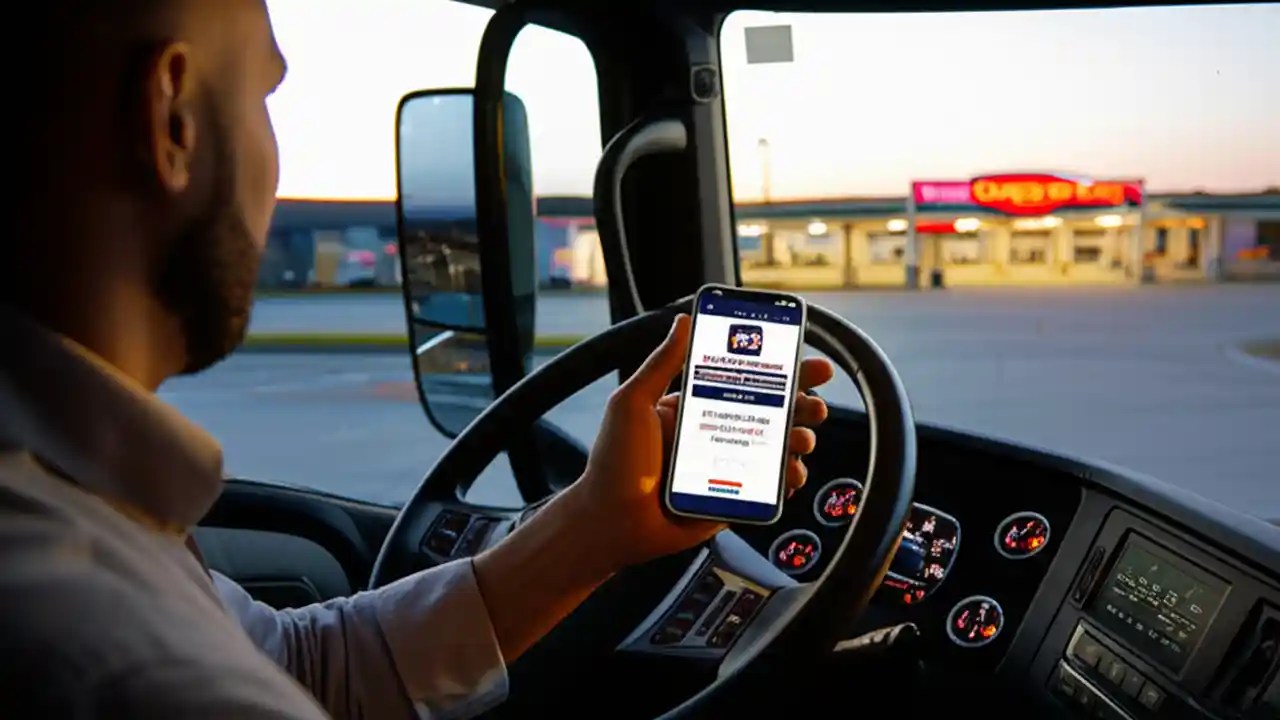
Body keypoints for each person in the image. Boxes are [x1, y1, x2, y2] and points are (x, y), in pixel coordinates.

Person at [0, 1, 835, 717]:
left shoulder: (73, 510)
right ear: (172, 115)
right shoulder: (131, 666)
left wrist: (596, 525)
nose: (273, 150)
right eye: (264, 94)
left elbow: (303, 669)